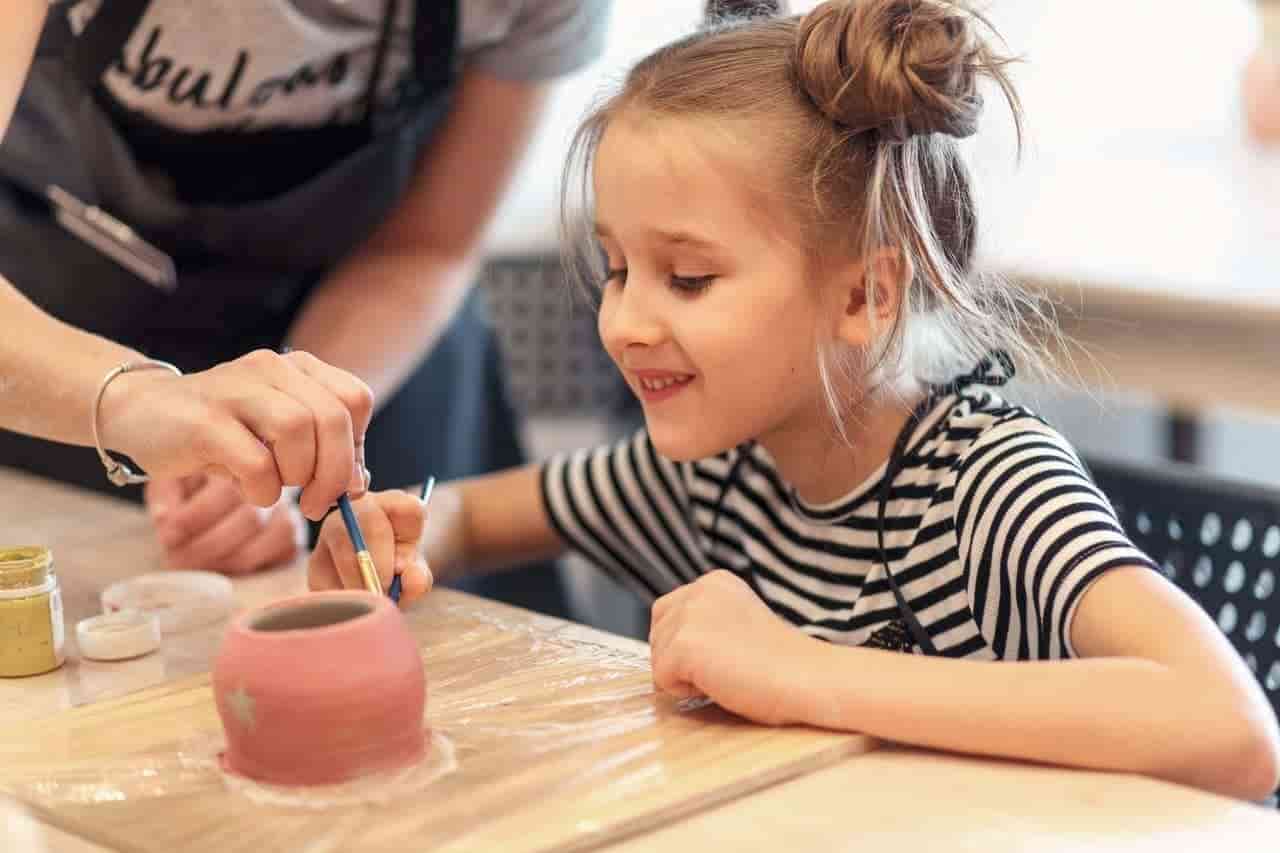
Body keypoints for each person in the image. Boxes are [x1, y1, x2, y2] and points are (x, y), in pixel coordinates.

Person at [309, 0, 1280, 799]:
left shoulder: (984, 483)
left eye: (685, 279)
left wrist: (796, 673)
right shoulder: (712, 468)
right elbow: (474, 515)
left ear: (864, 294)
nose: (623, 323)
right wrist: (401, 537)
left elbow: (1230, 728)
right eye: (614, 270)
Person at [0, 1, 611, 615]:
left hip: (370, 332)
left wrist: (299, 423)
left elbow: (425, 249)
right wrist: (134, 399)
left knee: (417, 628)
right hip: (50, 329)